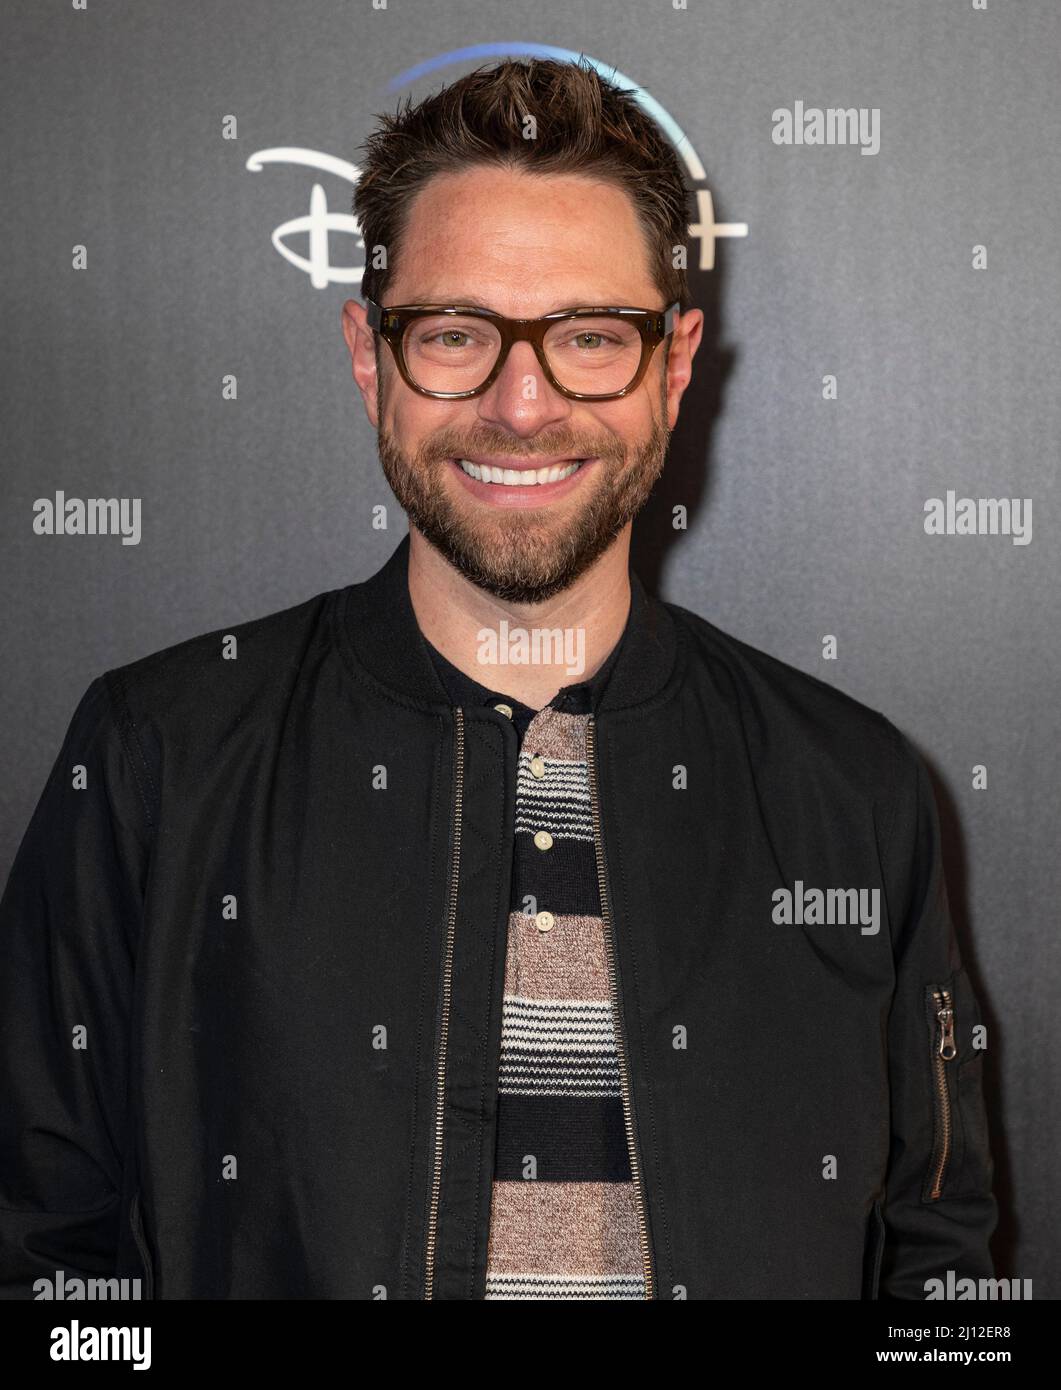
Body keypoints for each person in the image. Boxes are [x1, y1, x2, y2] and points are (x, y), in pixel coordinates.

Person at [0, 57, 996, 1300]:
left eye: (589, 337)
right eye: (456, 334)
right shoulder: (155, 756)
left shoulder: (849, 789)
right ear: (370, 355)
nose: (521, 405)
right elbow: (47, 1275)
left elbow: (938, 1272)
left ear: (674, 365)